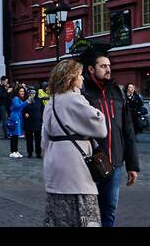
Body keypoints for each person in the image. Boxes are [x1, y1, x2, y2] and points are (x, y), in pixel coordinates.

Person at [78, 44, 140, 228]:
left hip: (116, 162)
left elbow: (127, 130)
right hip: (90, 161)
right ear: (91, 69)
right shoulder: (83, 93)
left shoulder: (117, 92)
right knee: (88, 211)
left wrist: (133, 165)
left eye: (109, 66)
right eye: (103, 66)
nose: (108, 69)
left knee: (109, 209)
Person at [42, 57, 107, 226]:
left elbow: (44, 137)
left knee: (58, 214)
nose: (83, 78)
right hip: (75, 164)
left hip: (55, 160)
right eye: (80, 74)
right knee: (83, 211)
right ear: (71, 78)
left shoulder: (51, 101)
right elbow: (100, 127)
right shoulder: (74, 99)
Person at [23, 82, 44, 158]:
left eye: (33, 93)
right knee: (29, 139)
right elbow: (23, 110)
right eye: (30, 93)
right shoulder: (26, 101)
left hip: (38, 122)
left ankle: (38, 152)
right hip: (29, 122)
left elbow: (43, 110)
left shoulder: (39, 100)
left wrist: (42, 119)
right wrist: (25, 114)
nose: (31, 95)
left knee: (38, 139)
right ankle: (30, 152)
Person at [6, 86, 28, 159]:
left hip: (18, 116)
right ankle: (13, 151)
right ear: (18, 92)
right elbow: (17, 106)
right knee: (14, 135)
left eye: (23, 91)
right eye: (21, 91)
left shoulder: (19, 99)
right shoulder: (16, 98)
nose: (23, 93)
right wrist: (26, 102)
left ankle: (16, 150)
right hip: (15, 117)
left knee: (16, 135)